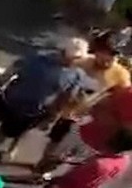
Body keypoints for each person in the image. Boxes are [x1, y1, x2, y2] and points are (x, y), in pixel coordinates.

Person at [0, 38, 88, 164]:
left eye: (78, 58)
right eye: (72, 57)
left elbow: (65, 97)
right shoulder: (38, 58)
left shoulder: (76, 75)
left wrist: (51, 117)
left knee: (5, 132)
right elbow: (12, 70)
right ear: (63, 51)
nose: (73, 61)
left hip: (30, 111)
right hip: (9, 99)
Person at [36, 35, 132, 177]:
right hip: (67, 111)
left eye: (113, 56)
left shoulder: (121, 75)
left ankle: (48, 170)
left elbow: (120, 98)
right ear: (97, 51)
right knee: (55, 141)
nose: (108, 59)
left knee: (71, 153)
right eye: (105, 53)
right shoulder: (82, 62)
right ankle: (42, 166)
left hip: (87, 118)